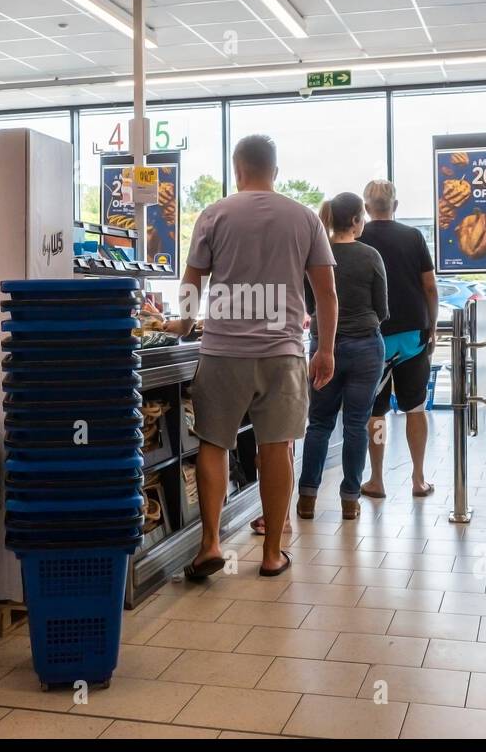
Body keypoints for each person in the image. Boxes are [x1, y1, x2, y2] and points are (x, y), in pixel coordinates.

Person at [165, 135, 337, 579]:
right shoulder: (304, 218)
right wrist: (325, 348)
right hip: (282, 353)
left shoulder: (215, 214)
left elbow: (192, 283)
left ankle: (210, 544)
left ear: (238, 168)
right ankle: (272, 552)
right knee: (276, 446)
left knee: (213, 443)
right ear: (274, 171)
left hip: (223, 351)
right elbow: (327, 293)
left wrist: (181, 326)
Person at [297, 192, 387, 521]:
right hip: (365, 347)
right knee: (355, 425)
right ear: (354, 221)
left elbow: (310, 304)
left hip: (324, 347)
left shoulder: (317, 254)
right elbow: (382, 308)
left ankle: (307, 499)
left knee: (318, 423)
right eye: (362, 216)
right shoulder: (370, 256)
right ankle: (350, 500)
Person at [357, 180, 439, 499]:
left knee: (376, 413)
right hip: (411, 338)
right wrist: (432, 328)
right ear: (395, 206)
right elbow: (430, 287)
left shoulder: (358, 237)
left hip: (373, 337)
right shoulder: (413, 237)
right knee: (415, 408)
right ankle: (418, 479)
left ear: (366, 208)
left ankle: (376, 480)